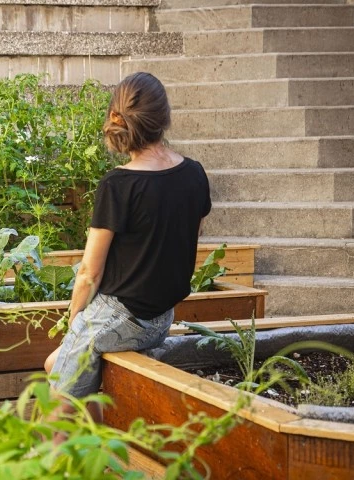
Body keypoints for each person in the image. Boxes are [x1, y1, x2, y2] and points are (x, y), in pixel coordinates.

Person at [45, 72, 212, 424]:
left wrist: (74, 321)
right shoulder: (194, 173)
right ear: (164, 118)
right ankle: (95, 445)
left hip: (119, 315)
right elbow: (191, 238)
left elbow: (90, 272)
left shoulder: (119, 184)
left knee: (53, 414)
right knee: (54, 362)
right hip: (161, 317)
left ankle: (53, 460)